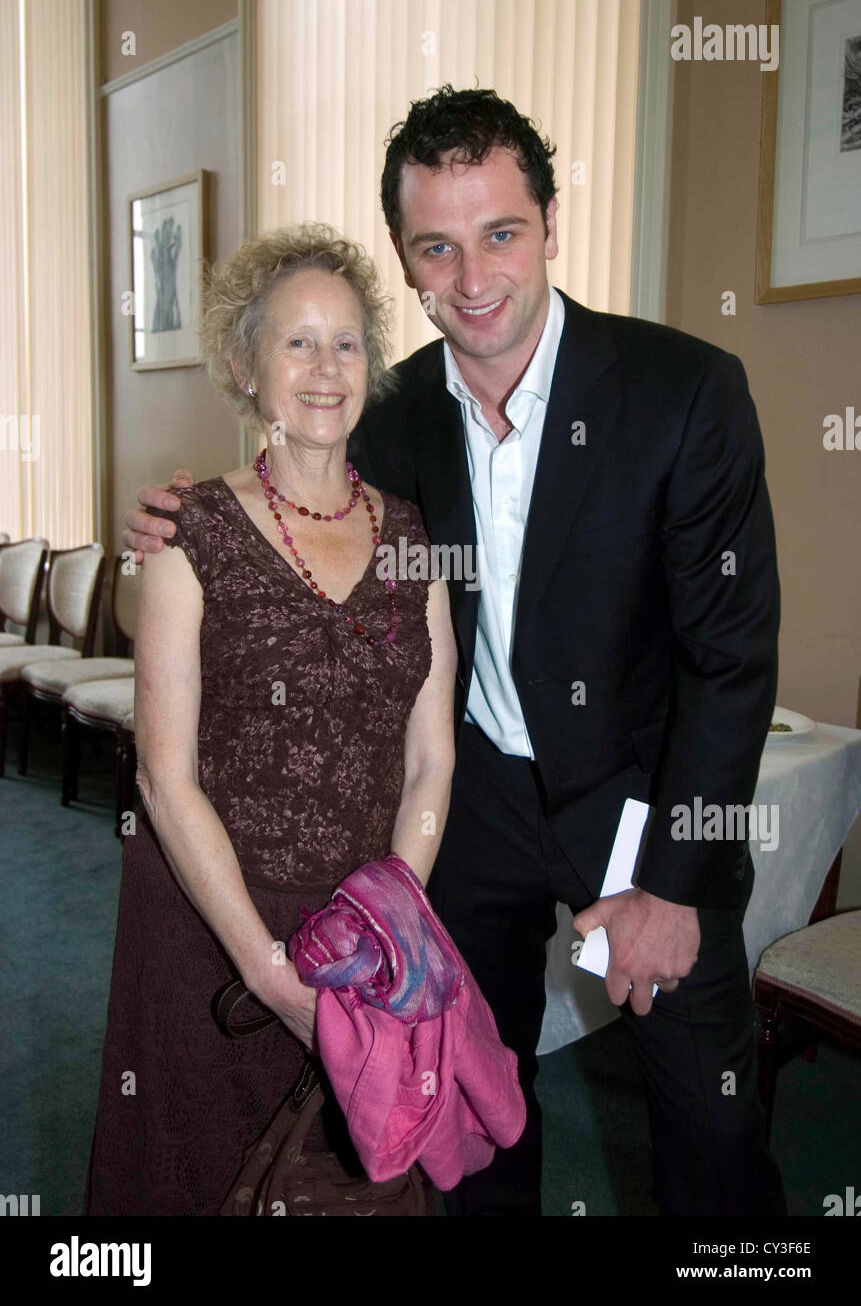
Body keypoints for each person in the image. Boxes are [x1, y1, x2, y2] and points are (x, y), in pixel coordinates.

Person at [125, 86, 788, 1218]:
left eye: (500, 234)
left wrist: (671, 883)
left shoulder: (683, 394)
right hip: (466, 803)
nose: (473, 279)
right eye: (437, 247)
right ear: (405, 257)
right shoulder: (390, 416)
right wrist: (181, 515)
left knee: (710, 1123)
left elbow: (731, 659)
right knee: (468, 1107)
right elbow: (296, 486)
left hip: (642, 806)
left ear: (550, 226)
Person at [86, 225, 457, 1215]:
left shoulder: (413, 536)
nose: (325, 368)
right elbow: (166, 777)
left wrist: (389, 924)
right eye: (297, 342)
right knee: (199, 1172)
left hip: (364, 931)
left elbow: (431, 755)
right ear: (246, 366)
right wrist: (267, 970)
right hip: (212, 927)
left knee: (344, 1175)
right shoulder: (186, 532)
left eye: (346, 342)